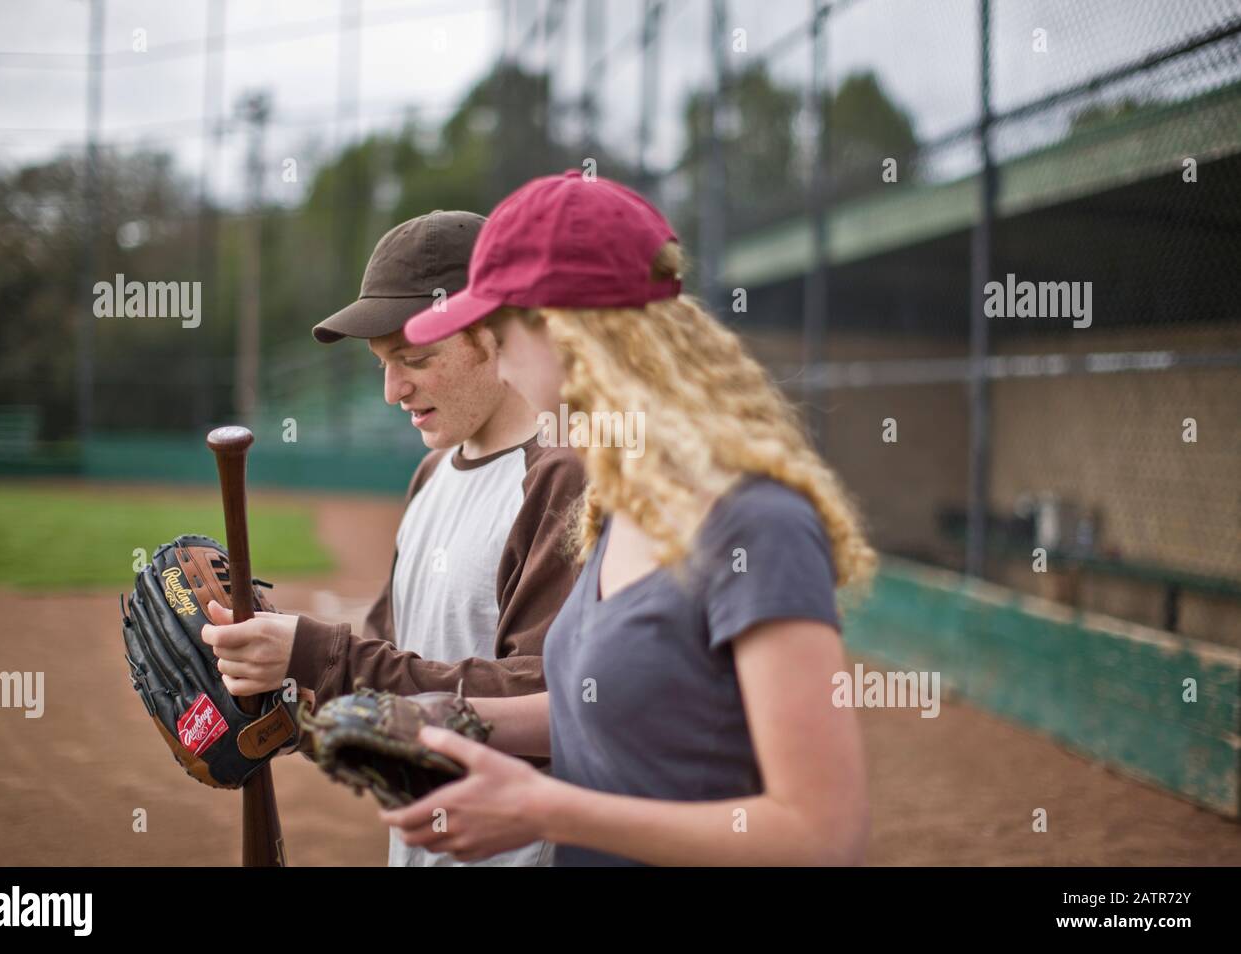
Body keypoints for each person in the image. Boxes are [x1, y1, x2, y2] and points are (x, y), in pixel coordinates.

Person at [377, 171, 876, 866]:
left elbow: (823, 833)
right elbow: (603, 709)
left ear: (561, 332)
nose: (505, 372)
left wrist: (545, 809)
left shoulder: (755, 523)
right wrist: (447, 719)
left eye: (499, 339)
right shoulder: (622, 502)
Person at [200, 210, 586, 867]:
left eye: (415, 359)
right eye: (382, 363)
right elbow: (387, 663)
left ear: (495, 333)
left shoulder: (562, 479)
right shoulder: (432, 472)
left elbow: (543, 699)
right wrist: (285, 693)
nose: (391, 390)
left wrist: (318, 653)